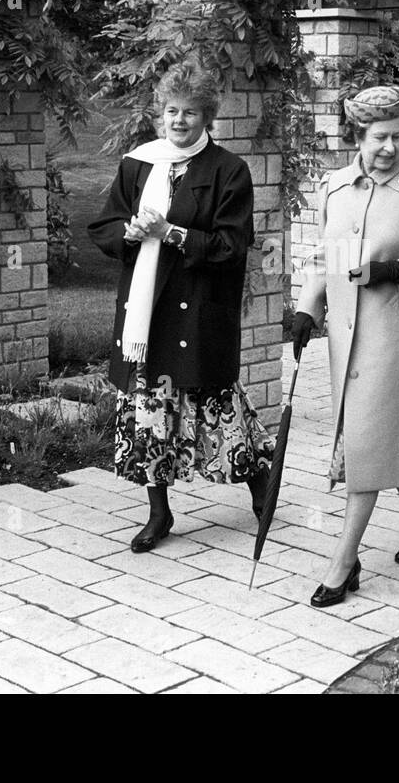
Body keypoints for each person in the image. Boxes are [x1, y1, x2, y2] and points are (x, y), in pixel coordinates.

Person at [88, 61, 272, 553]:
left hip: (198, 312)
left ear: (207, 117)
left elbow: (232, 246)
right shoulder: (139, 164)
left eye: (190, 112)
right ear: (159, 114)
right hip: (148, 315)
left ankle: (262, 493)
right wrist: (127, 235)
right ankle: (159, 512)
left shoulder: (229, 171)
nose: (179, 121)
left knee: (218, 407)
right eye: (171, 111)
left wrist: (170, 234)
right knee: (149, 413)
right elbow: (104, 227)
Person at [292, 85, 399, 608]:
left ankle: (344, 563)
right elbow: (324, 260)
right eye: (378, 137)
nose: (389, 146)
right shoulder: (335, 188)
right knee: (381, 439)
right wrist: (306, 308)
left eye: (396, 136)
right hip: (344, 341)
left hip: (394, 339)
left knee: (364, 443)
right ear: (357, 136)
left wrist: (396, 271)